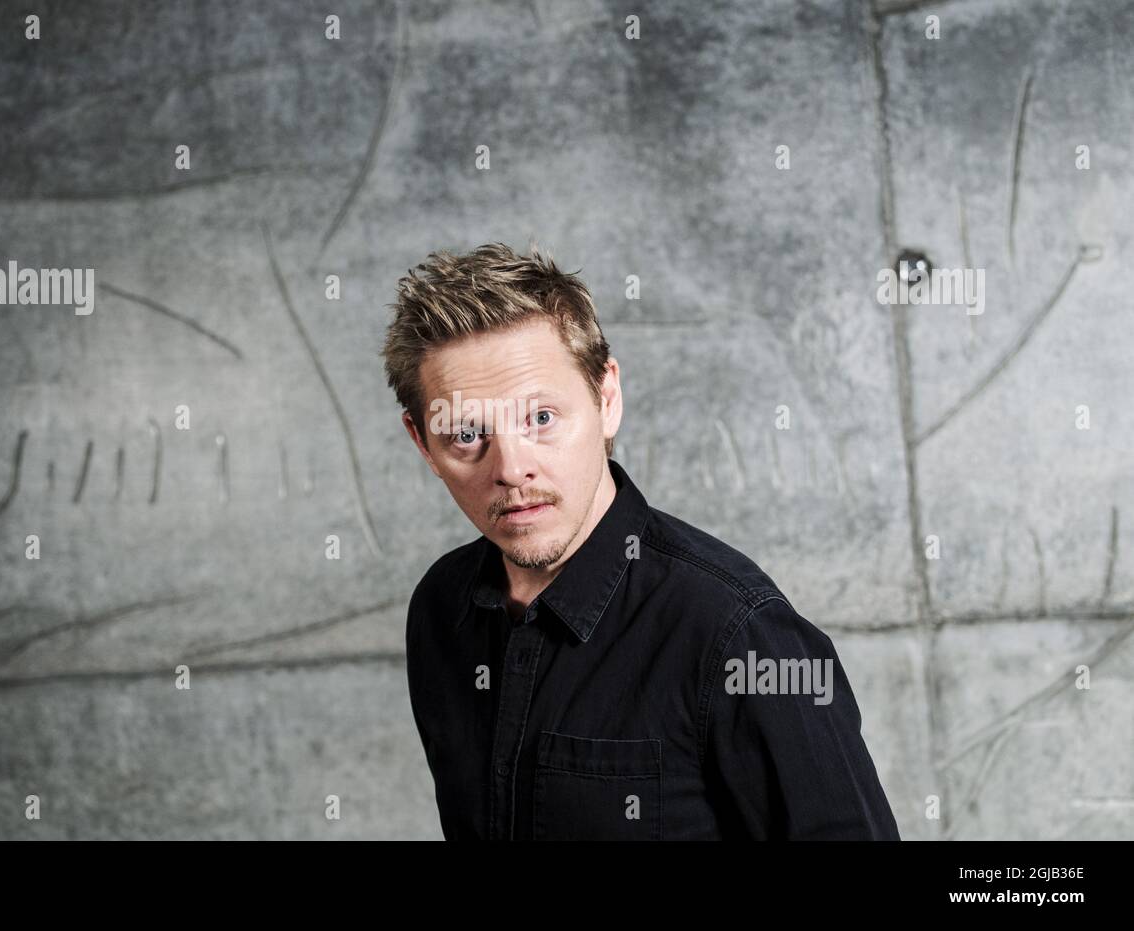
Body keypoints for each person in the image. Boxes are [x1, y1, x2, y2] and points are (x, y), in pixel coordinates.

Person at [380, 241, 901, 840]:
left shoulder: (742, 635)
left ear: (606, 400)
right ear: (423, 444)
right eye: (467, 433)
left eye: (541, 419)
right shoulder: (441, 610)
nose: (511, 468)